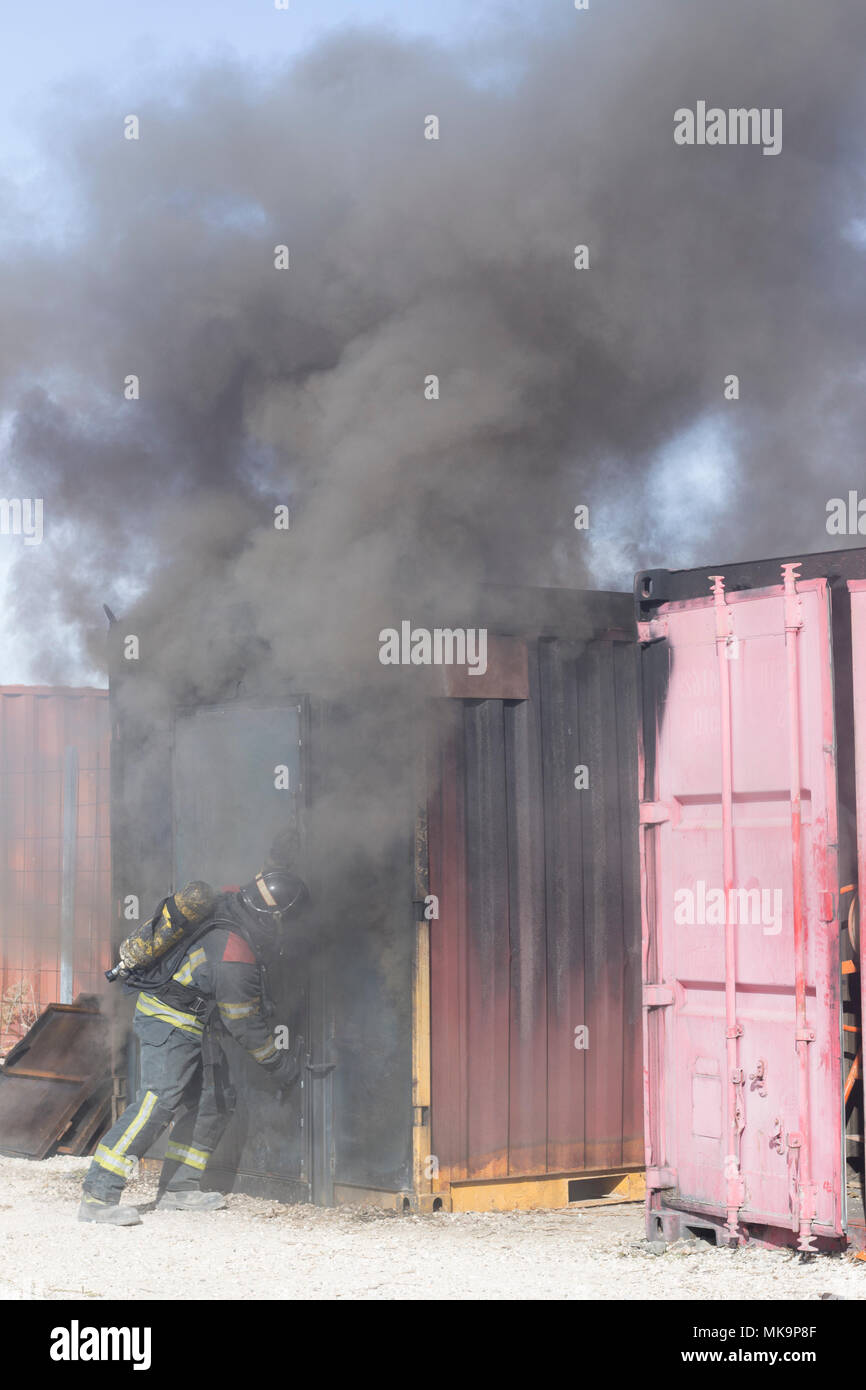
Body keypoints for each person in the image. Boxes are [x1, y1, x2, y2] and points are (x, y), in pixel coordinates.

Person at [79, 867, 309, 1225]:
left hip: (195, 1024)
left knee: (214, 1101)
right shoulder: (235, 953)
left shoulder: (232, 900)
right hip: (168, 1021)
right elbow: (244, 1026)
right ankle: (98, 1193)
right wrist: (280, 1066)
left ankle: (179, 1189)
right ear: (274, 917)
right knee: (158, 1101)